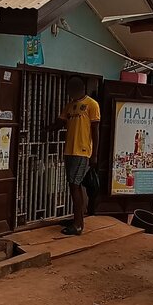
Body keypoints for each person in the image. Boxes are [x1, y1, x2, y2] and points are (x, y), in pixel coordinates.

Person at [50, 76, 100, 235]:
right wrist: (45, 129)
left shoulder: (92, 105)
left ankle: (78, 224)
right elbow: (59, 123)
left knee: (75, 186)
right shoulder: (70, 106)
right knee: (72, 186)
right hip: (69, 151)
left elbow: (95, 131)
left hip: (82, 151)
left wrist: (94, 155)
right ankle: (76, 219)